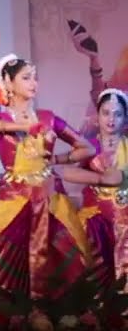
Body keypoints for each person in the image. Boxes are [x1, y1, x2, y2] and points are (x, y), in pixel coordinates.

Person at [0, 53, 100, 298]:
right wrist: (24, 127)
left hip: (49, 201)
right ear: (8, 83)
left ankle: (50, 311)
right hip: (15, 202)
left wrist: (56, 159)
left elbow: (87, 147)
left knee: (57, 258)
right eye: (26, 78)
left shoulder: (48, 118)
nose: (34, 83)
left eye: (35, 78)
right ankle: (14, 312)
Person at [62, 88, 128, 293]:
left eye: (117, 114)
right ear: (97, 116)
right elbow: (68, 171)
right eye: (106, 113)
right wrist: (99, 178)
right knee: (90, 240)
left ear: (125, 118)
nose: (111, 119)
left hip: (125, 216)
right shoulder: (88, 147)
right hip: (97, 215)